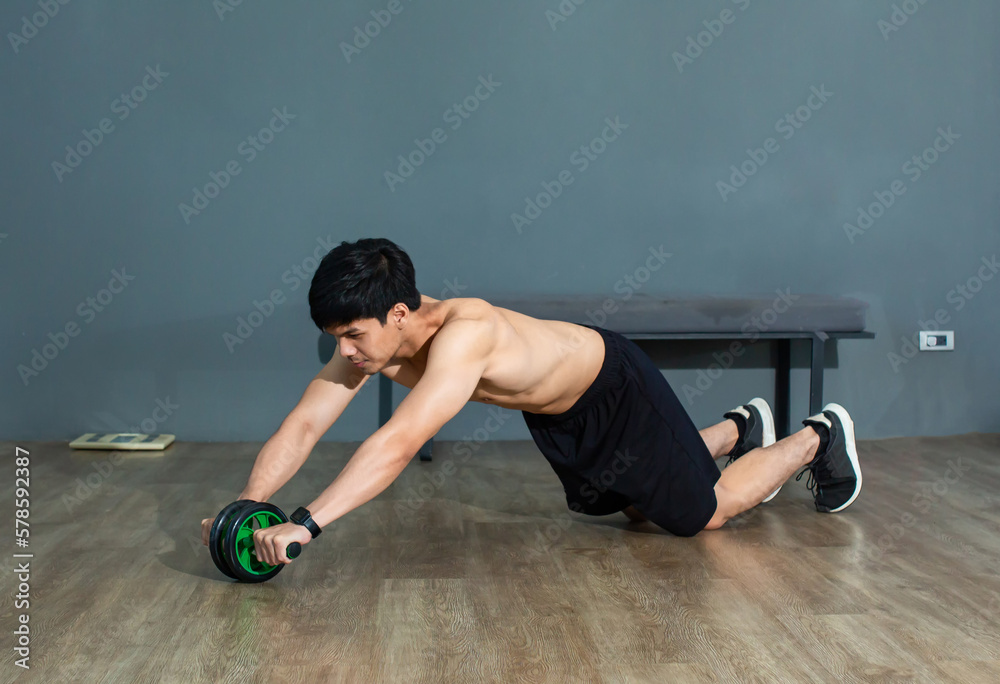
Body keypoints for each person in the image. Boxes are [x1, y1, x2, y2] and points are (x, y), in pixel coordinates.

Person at [201, 238, 862, 565]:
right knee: (632, 510)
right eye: (335, 338)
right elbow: (305, 423)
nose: (344, 351)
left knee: (700, 516)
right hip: (560, 414)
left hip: (615, 387)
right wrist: (249, 505)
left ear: (398, 312)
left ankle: (815, 437)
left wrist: (307, 524)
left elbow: (397, 443)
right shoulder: (367, 344)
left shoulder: (467, 335)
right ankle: (737, 428)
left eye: (352, 335)